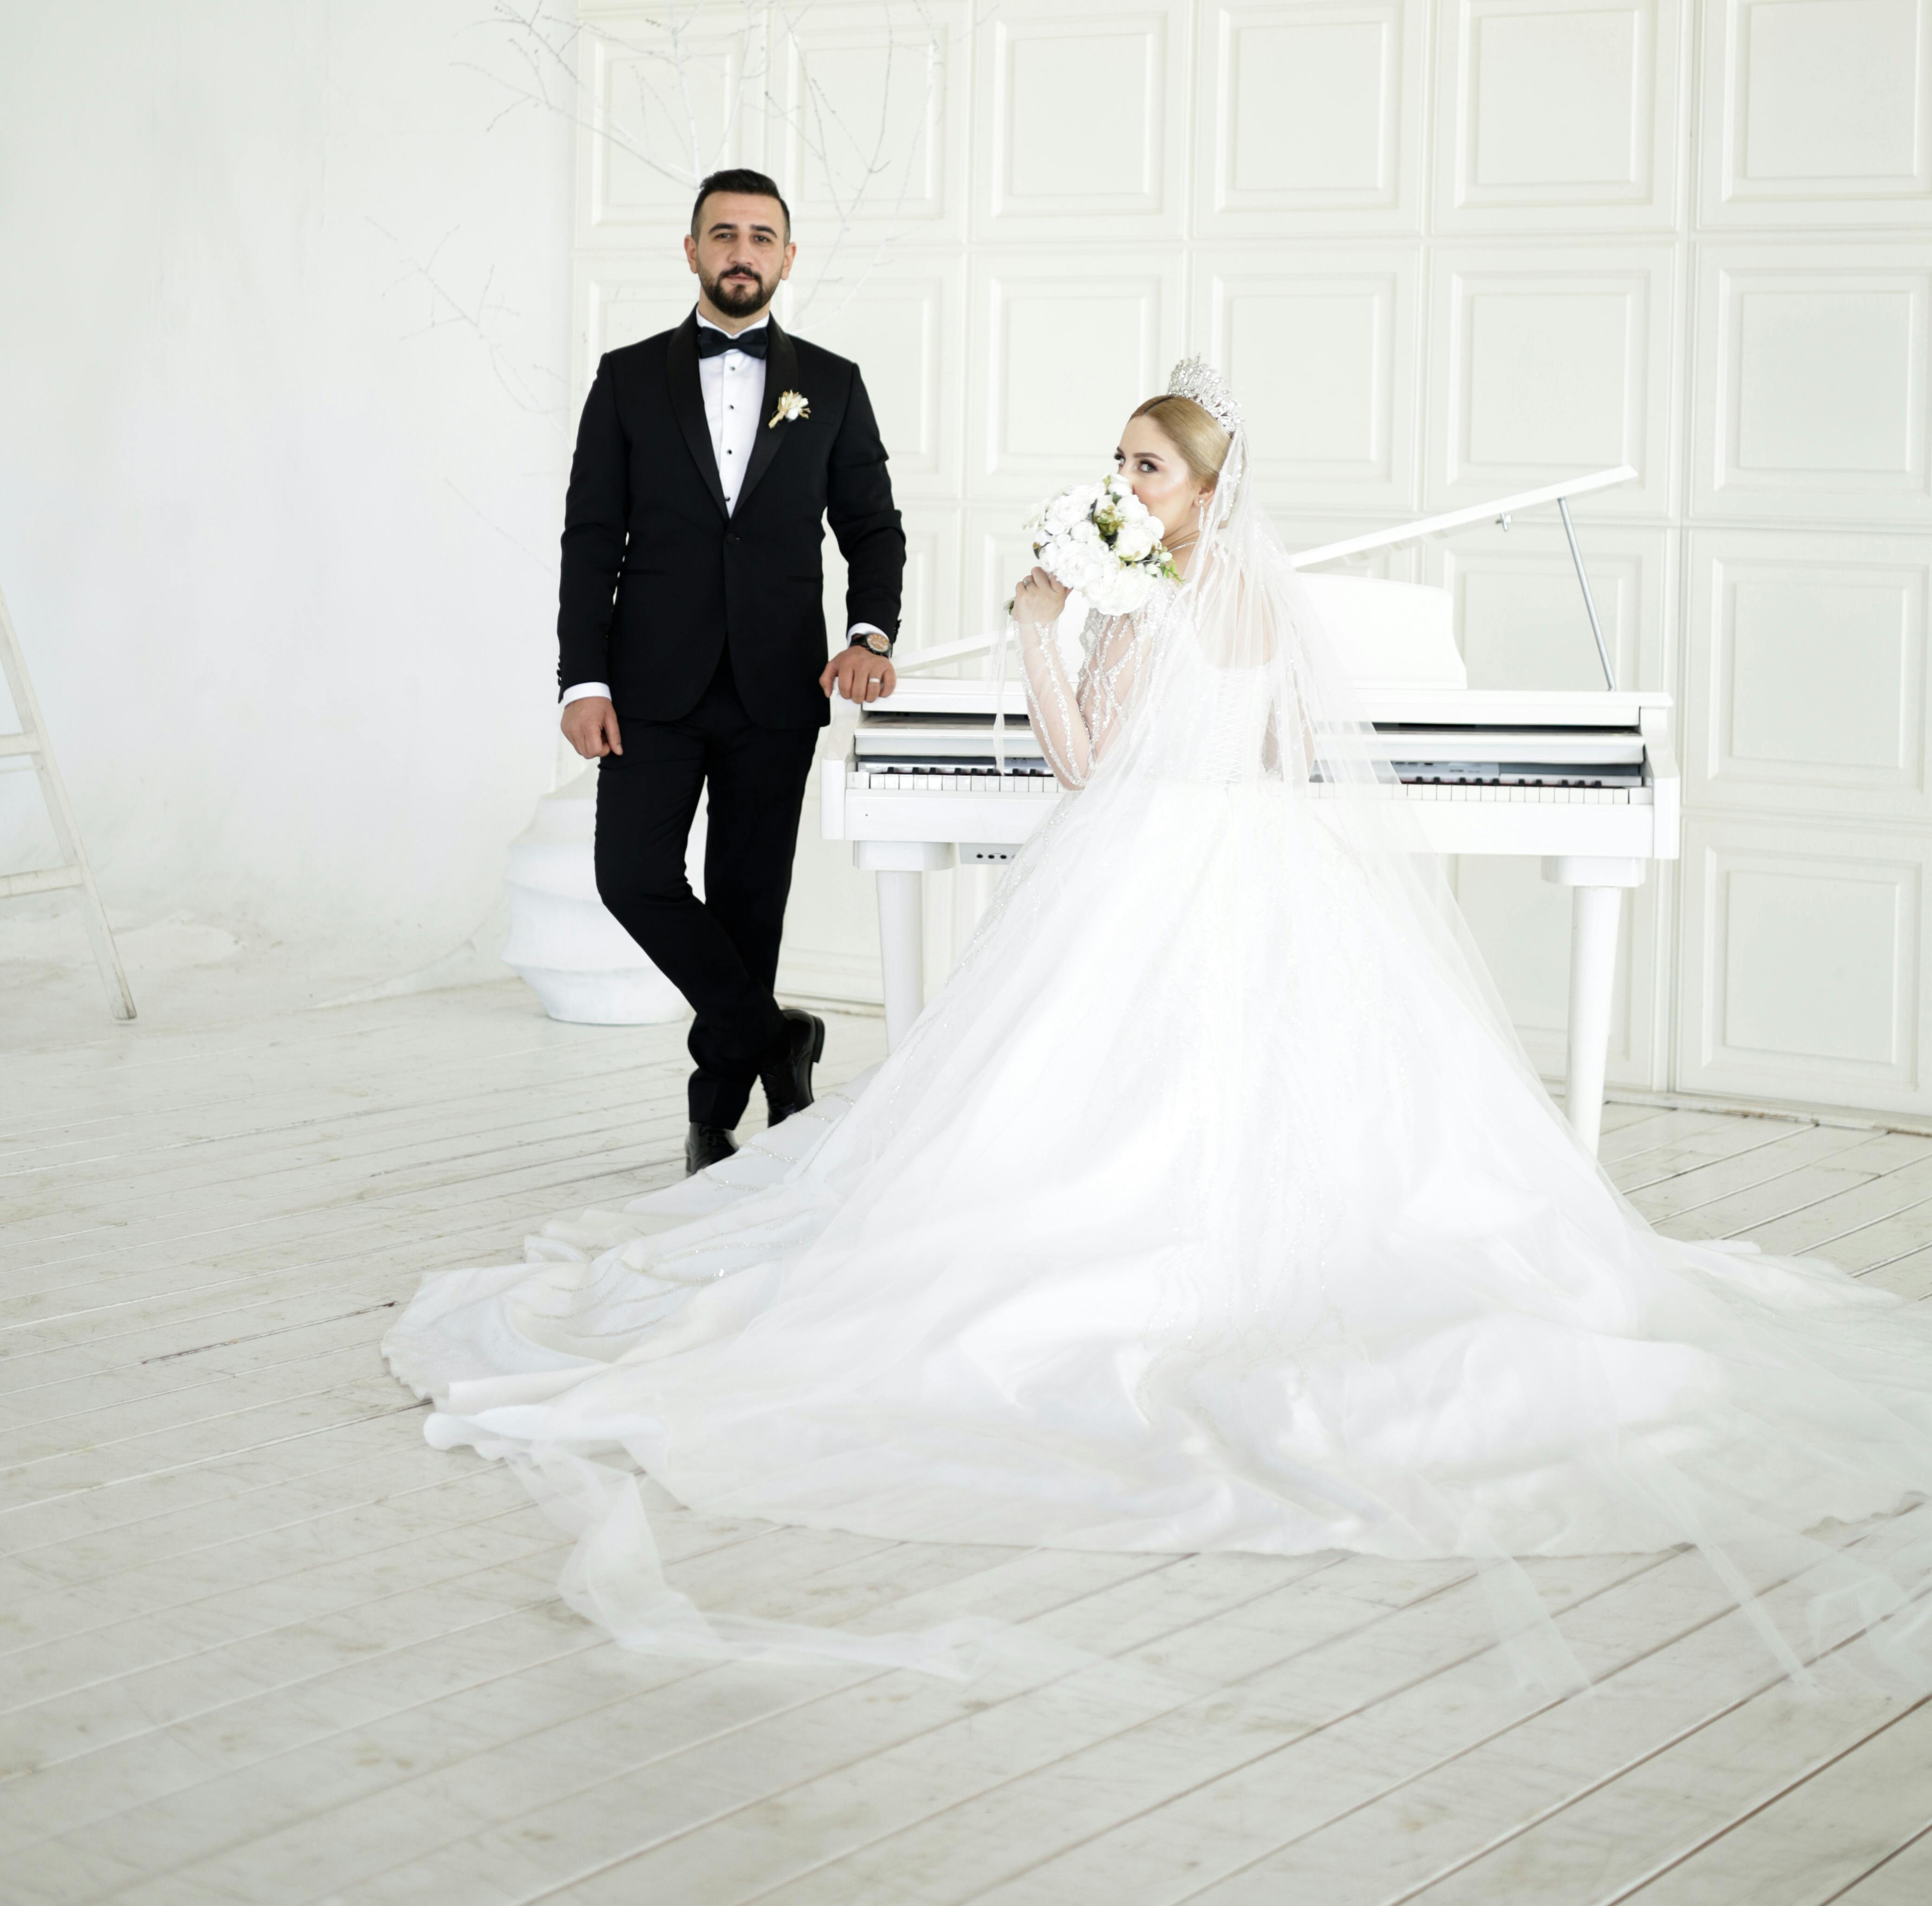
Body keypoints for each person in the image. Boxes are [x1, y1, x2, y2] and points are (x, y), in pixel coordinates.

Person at [387, 359, 1932, 1687]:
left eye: (1145, 465)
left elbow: (1101, 767)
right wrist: (1061, 622)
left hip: (1187, 858)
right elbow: (1106, 765)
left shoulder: (1188, 597)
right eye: (1116, 461)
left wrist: (1060, 624)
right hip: (1202, 848)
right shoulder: (1180, 590)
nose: (1119, 480)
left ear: (1201, 488)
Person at [555, 169, 904, 1174]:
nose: (741, 251)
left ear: (787, 258)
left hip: (776, 685)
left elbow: (872, 528)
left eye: (761, 236)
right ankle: (775, 1036)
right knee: (630, 876)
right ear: (692, 251)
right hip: (647, 684)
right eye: (723, 234)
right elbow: (591, 536)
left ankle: (716, 1113)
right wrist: (584, 681)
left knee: (751, 902)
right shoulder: (626, 377)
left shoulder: (830, 384)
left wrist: (868, 635)